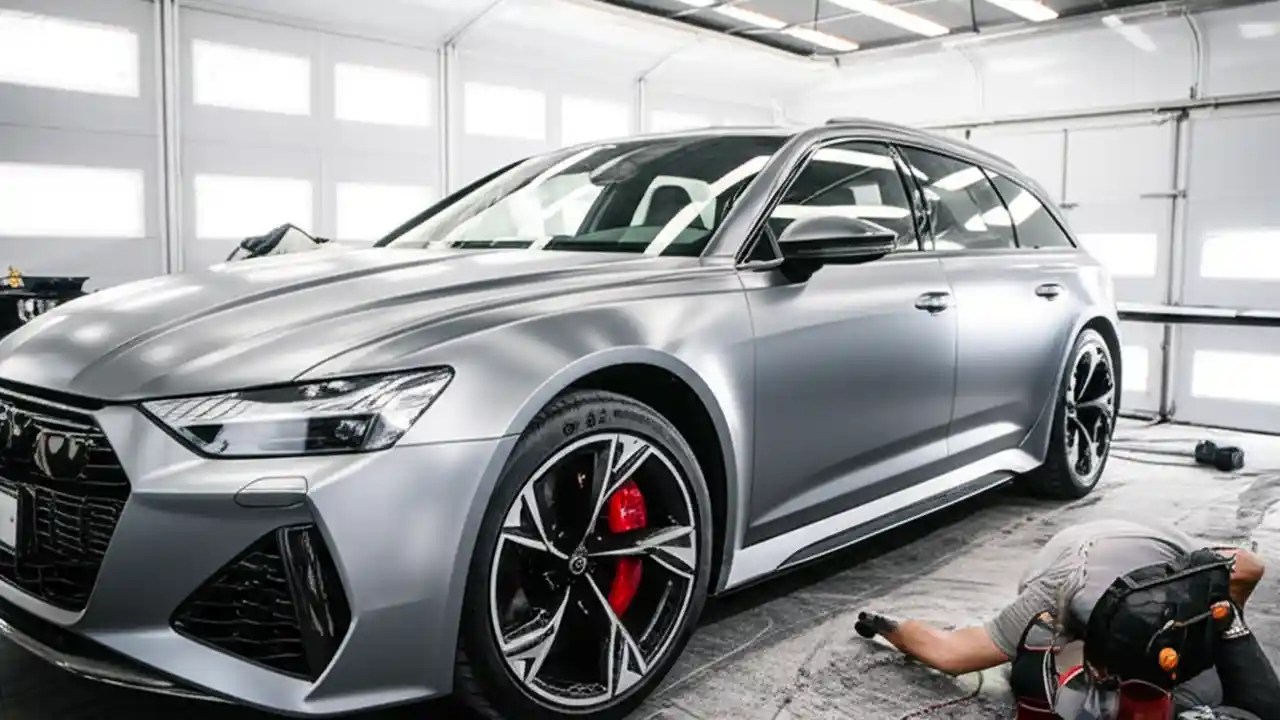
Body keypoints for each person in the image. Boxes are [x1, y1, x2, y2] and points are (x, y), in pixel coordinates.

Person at [854, 519, 1272, 714]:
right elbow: (949, 652)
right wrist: (881, 623)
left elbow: (1250, 565)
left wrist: (1222, 617)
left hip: (1148, 535)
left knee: (1206, 694)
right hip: (1073, 550)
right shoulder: (1050, 602)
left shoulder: (1189, 584)